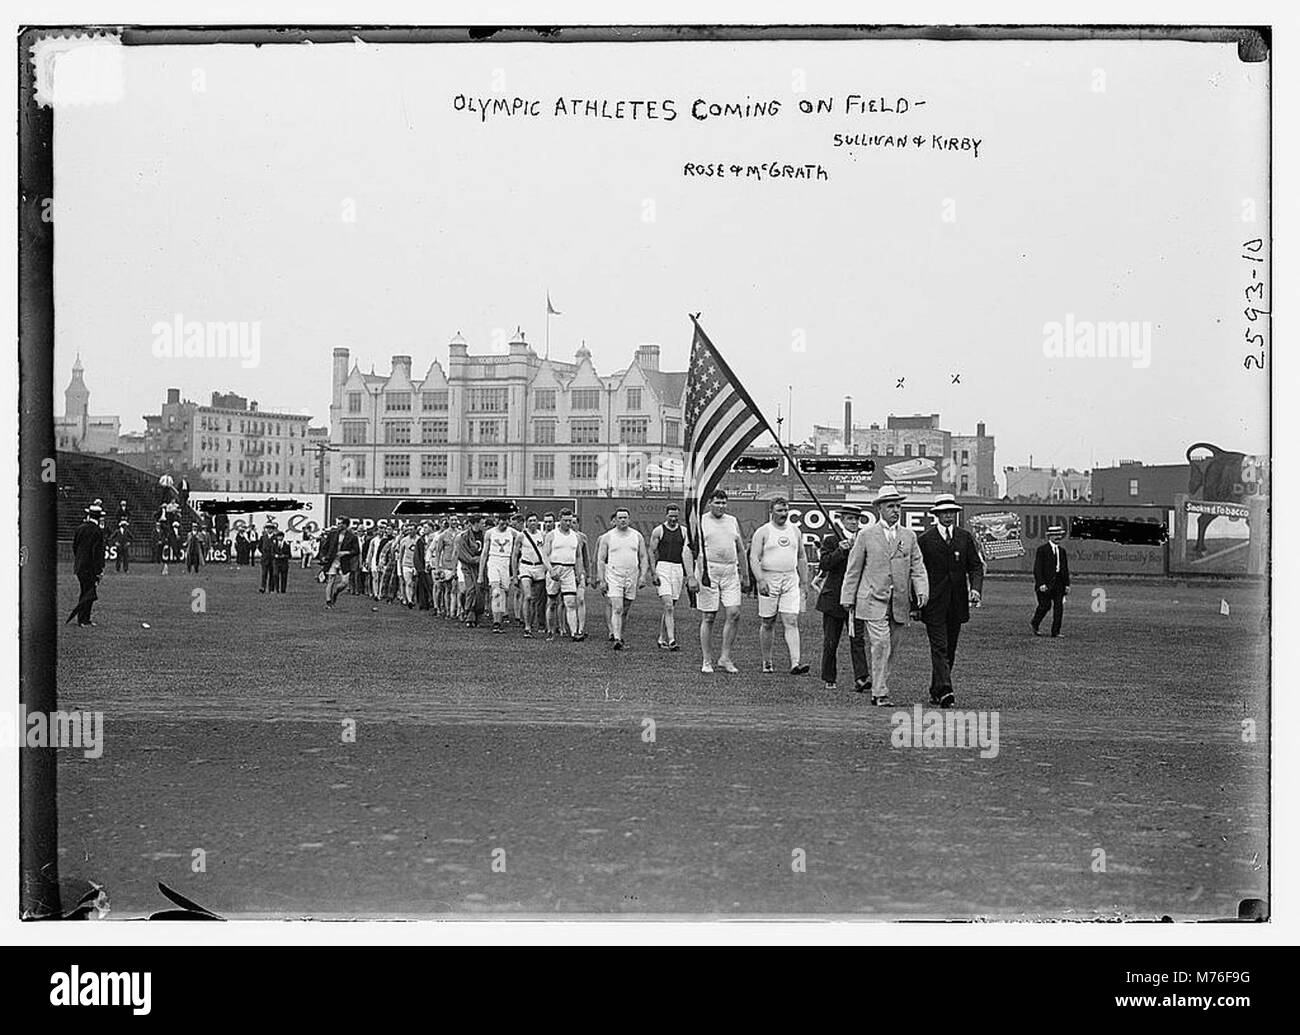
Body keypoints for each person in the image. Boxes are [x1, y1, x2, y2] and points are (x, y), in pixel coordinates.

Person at [840, 485, 929, 707]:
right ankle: (880, 692)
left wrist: (921, 589)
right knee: (880, 644)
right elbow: (854, 568)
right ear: (880, 508)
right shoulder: (866, 535)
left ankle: (880, 685)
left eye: (898, 506)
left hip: (899, 602)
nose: (896, 510)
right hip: (872, 600)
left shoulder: (909, 536)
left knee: (891, 649)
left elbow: (917, 566)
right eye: (891, 506)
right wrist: (847, 597)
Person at [917, 494, 985, 708]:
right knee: (939, 648)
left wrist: (975, 589)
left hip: (957, 602)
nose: (948, 516)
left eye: (952, 513)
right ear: (936, 515)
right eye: (944, 513)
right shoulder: (925, 540)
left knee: (950, 648)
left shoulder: (964, 537)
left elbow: (975, 566)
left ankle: (936, 689)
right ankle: (946, 690)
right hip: (934, 603)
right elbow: (917, 572)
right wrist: (915, 602)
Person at [750, 497, 811, 675]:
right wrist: (760, 579)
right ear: (772, 511)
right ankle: (767, 661)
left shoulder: (795, 531)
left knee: (791, 620)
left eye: (786, 510)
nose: (784, 514)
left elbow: (801, 556)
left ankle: (795, 663)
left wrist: (804, 582)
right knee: (768, 622)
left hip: (790, 578)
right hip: (769, 578)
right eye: (780, 511)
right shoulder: (763, 532)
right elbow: (754, 557)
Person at [816, 504, 871, 692]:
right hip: (833, 599)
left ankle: (861, 678)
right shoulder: (831, 540)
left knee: (857, 639)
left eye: (856, 519)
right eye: (850, 519)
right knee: (831, 641)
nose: (854, 522)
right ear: (841, 520)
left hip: (856, 598)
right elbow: (824, 564)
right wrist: (840, 551)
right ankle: (829, 678)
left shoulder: (864, 539)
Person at [695, 489, 749, 674]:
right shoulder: (700, 521)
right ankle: (707, 660)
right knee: (709, 617)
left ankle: (725, 657)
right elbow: (689, 549)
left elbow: (740, 549)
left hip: (730, 571)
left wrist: (745, 574)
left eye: (724, 503)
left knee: (734, 613)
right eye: (717, 502)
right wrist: (691, 576)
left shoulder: (732, 521)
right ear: (710, 503)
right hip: (708, 570)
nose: (721, 506)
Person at [596, 507, 651, 650]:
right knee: (617, 607)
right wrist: (602, 579)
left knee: (625, 609)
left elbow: (643, 556)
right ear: (615, 520)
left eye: (625, 517)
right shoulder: (607, 537)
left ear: (629, 519)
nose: (623, 520)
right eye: (620, 518)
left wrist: (643, 575)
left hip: (632, 575)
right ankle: (617, 638)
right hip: (614, 574)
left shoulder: (636, 536)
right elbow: (601, 559)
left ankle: (620, 634)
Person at [648, 503, 695, 651]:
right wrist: (654, 572)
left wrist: (689, 574)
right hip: (663, 567)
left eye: (676, 516)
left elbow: (688, 554)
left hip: (678, 569)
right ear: (666, 515)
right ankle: (672, 639)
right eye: (671, 516)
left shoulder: (684, 532)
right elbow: (651, 551)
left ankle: (662, 638)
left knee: (670, 607)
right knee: (668, 605)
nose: (673, 519)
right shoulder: (659, 531)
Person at [542, 509, 585, 641]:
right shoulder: (552, 535)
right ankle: (550, 631)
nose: (568, 523)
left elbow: (578, 556)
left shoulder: (576, 537)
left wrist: (579, 573)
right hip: (555, 568)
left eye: (570, 521)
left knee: (570, 602)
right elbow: (545, 555)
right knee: (552, 602)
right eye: (565, 520)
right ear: (559, 520)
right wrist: (550, 570)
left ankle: (574, 633)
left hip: (569, 570)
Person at [67, 504, 106, 627]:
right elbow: (97, 553)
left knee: (86, 591)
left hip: (80, 566)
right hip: (91, 568)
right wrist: (99, 570)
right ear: (99, 517)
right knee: (88, 592)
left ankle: (85, 619)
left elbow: (75, 547)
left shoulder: (80, 528)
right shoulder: (97, 531)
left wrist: (79, 560)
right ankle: (83, 619)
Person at [511, 512, 549, 638]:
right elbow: (515, 555)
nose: (533, 523)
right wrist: (515, 574)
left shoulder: (542, 535)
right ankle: (527, 627)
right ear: (526, 522)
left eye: (535, 520)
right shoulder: (521, 536)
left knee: (536, 600)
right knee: (527, 596)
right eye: (530, 520)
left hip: (539, 567)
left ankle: (537, 623)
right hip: (526, 567)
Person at [1031, 524, 1070, 637]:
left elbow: (1064, 569)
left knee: (1059, 608)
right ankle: (1035, 622)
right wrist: (1041, 583)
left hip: (1059, 584)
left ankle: (1056, 631)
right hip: (1046, 583)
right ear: (1050, 536)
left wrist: (1067, 584)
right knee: (1045, 606)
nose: (1058, 537)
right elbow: (1038, 568)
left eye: (1059, 535)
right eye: (1055, 535)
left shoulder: (1062, 551)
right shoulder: (1042, 550)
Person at [480, 512, 516, 633]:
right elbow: (484, 553)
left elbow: (524, 540)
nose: (504, 523)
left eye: (506, 520)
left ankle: (499, 620)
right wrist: (480, 574)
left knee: (503, 592)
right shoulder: (490, 533)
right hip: (493, 561)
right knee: (496, 592)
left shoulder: (512, 532)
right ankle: (496, 623)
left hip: (506, 563)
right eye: (501, 520)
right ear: (497, 520)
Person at [318, 516, 360, 608]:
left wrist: (345, 553)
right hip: (332, 560)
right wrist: (323, 557)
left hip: (344, 561)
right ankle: (328, 602)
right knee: (330, 581)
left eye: (340, 523)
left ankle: (336, 593)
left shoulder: (352, 537)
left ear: (346, 525)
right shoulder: (332, 534)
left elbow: (356, 550)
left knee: (345, 582)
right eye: (338, 523)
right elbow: (325, 547)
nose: (338, 525)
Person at [455, 513, 486, 626]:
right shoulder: (463, 536)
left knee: (480, 590)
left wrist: (483, 560)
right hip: (468, 567)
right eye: (482, 523)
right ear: (475, 523)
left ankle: (478, 614)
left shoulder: (485, 535)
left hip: (481, 567)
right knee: (471, 589)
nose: (484, 525)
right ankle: (469, 613)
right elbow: (462, 553)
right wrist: (476, 559)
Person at [257, 519, 277, 593]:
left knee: (272, 574)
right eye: (268, 528)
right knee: (264, 574)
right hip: (265, 558)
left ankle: (271, 588)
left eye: (270, 528)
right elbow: (259, 546)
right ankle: (263, 587)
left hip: (272, 558)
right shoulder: (263, 537)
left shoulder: (275, 537)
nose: (269, 529)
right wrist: (263, 553)